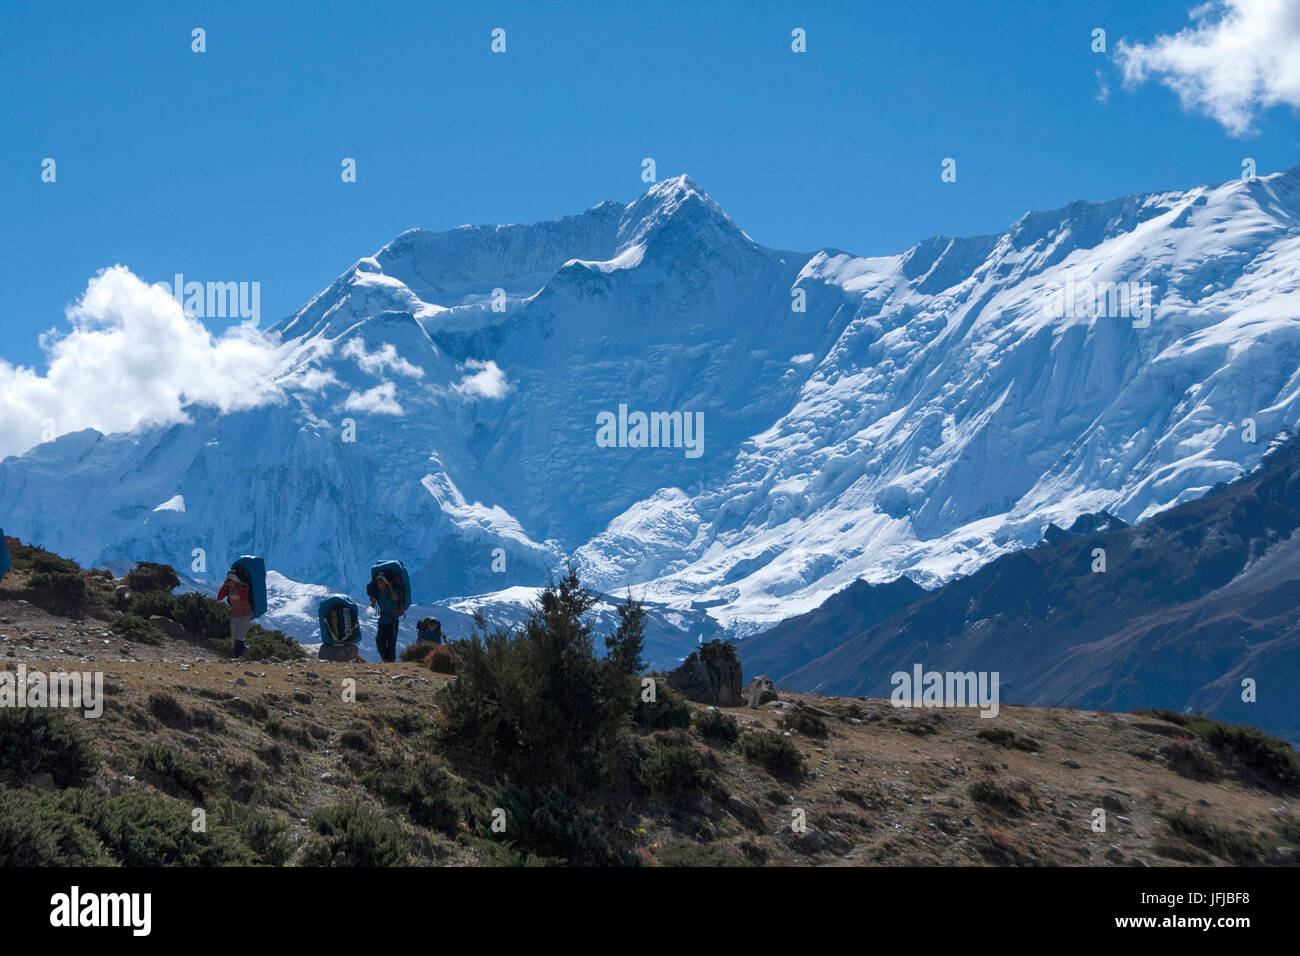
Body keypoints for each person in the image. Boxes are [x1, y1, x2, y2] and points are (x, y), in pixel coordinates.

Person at [217, 567, 254, 658]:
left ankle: (238, 657)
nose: (229, 582)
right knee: (234, 639)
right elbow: (219, 598)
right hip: (234, 615)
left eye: (230, 580)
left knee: (239, 637)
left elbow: (244, 599)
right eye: (228, 580)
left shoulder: (244, 588)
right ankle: (245, 650)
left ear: (235, 581)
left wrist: (242, 588)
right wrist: (224, 587)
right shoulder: (228, 589)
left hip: (245, 614)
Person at [369, 571, 405, 662]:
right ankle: (386, 660)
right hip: (382, 620)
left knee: (391, 643)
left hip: (392, 620)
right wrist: (373, 599)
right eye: (378, 582)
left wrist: (390, 587)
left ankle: (390, 662)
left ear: (385, 582)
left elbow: (395, 598)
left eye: (381, 582)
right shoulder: (376, 592)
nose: (379, 584)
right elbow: (373, 605)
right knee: (379, 642)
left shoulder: (391, 591)